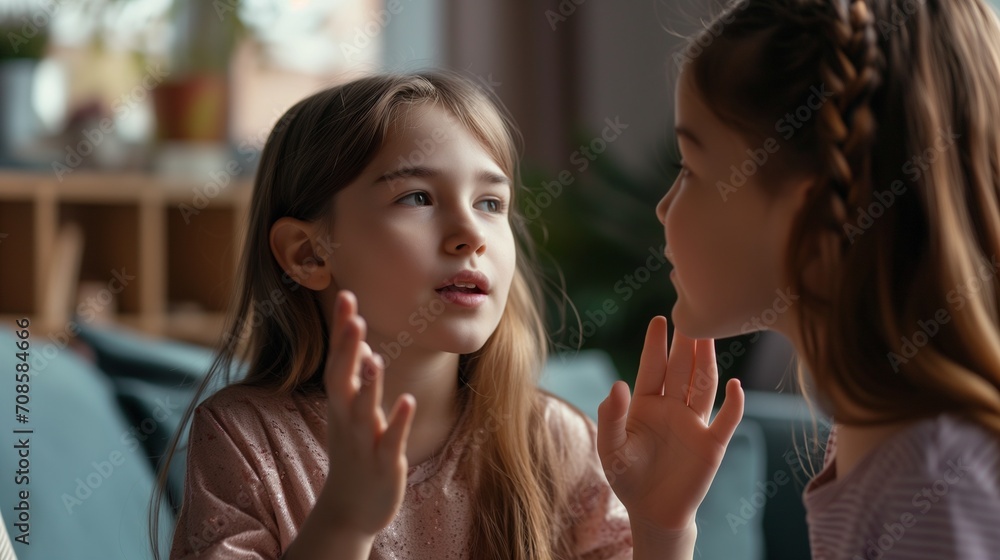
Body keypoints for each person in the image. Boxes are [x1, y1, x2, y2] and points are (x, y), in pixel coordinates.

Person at [152, 70, 662, 560]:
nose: (471, 234)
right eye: (417, 197)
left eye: (490, 203)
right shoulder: (244, 437)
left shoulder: (555, 439)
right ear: (308, 254)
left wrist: (667, 526)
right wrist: (343, 522)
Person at [597, 0, 1000, 558]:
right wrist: (660, 530)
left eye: (689, 167)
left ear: (808, 218)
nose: (664, 208)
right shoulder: (869, 441)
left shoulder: (930, 485)